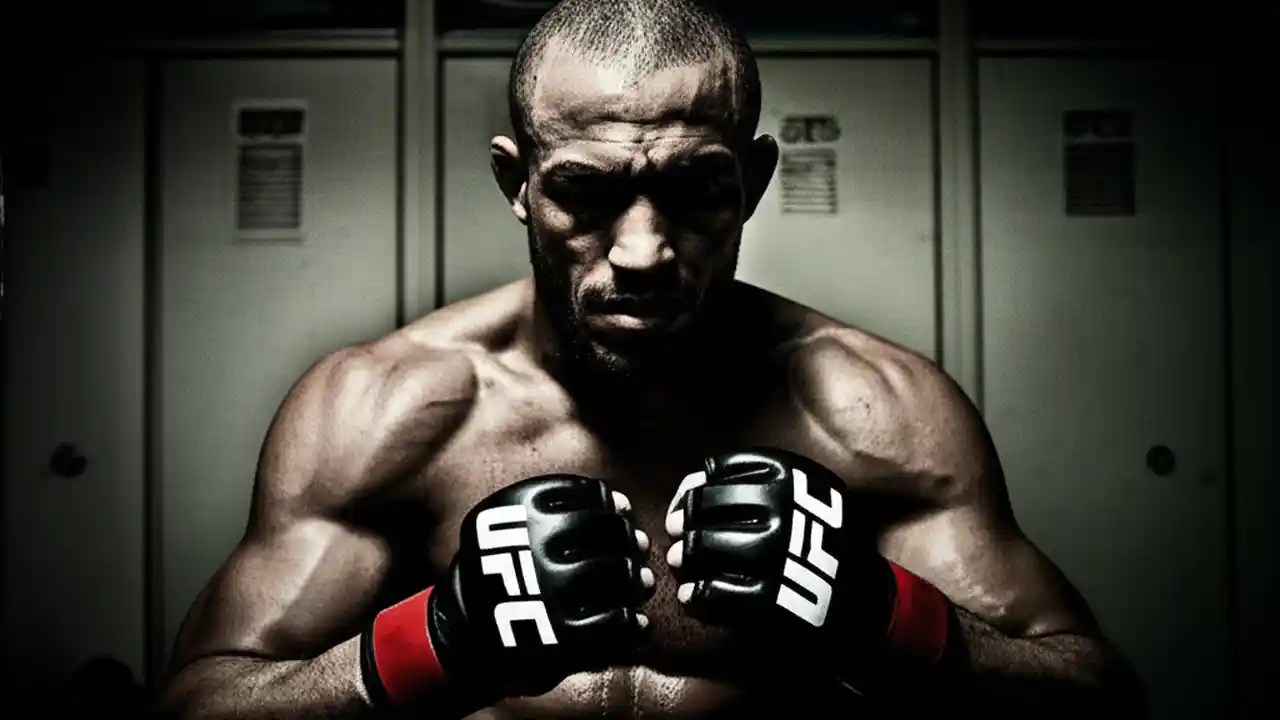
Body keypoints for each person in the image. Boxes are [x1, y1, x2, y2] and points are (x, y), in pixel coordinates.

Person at [157, 1, 1144, 717]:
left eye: (695, 188)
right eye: (584, 192)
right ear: (518, 181)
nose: (642, 251)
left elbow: (1091, 694)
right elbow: (204, 703)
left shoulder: (874, 414)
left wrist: (880, 617)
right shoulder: (386, 411)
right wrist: (438, 640)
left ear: (751, 182)